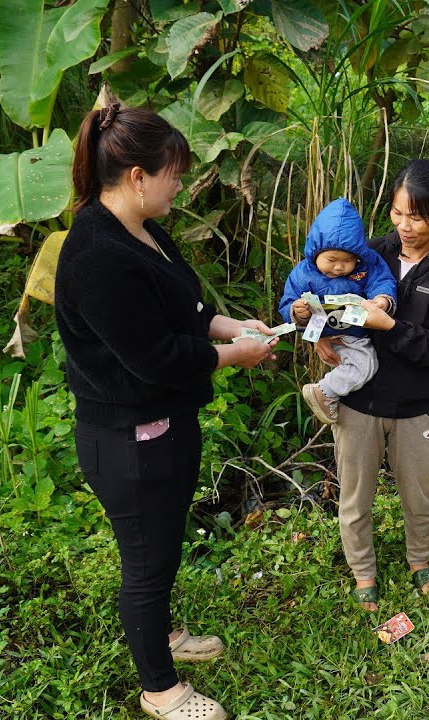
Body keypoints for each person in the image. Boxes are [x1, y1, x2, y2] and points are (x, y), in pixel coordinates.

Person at [54, 103, 277, 720]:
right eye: (174, 172)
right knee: (147, 564)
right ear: (137, 176)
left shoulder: (146, 230)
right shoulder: (98, 257)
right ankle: (160, 689)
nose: (180, 183)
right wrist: (233, 356)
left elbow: (185, 309)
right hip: (126, 441)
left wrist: (233, 325)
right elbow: (156, 357)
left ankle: (164, 635)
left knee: (162, 548)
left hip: (163, 430)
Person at [314, 159, 429, 610]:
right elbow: (326, 295)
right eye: (397, 213)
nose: (404, 226)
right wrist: (321, 335)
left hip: (417, 407)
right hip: (359, 404)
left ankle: (418, 559)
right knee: (355, 497)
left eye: (417, 216)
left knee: (420, 496)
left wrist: (391, 327)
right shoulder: (370, 254)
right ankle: (363, 572)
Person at [277, 197, 397, 424]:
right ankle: (325, 392)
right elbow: (288, 302)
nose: (339, 267)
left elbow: (382, 281)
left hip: (355, 330)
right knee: (365, 365)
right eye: (331, 260)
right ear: (316, 252)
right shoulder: (304, 273)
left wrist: (382, 300)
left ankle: (328, 392)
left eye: (347, 261)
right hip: (329, 333)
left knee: (366, 365)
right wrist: (296, 311)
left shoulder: (368, 263)